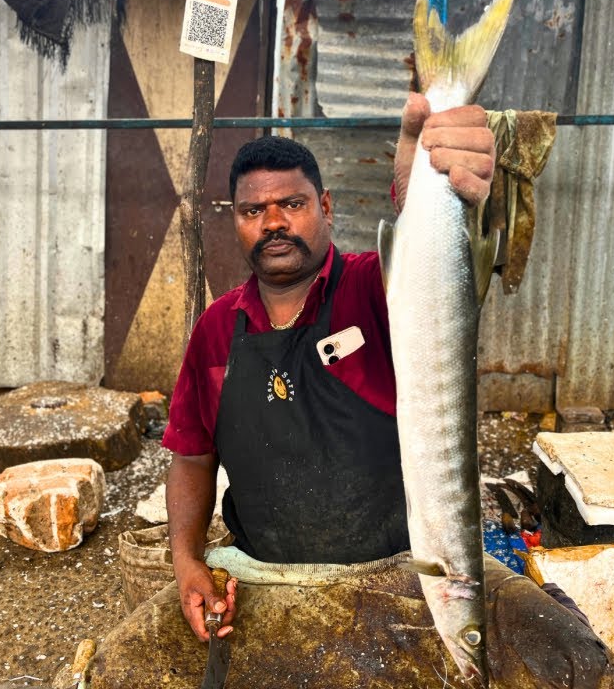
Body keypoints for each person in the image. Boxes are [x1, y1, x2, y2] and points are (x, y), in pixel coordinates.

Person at [161, 93, 498, 642]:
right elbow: (193, 458)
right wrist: (186, 560)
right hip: (265, 581)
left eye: (292, 204)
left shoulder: (377, 288)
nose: (273, 223)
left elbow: (438, 277)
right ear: (237, 224)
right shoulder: (216, 329)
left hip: (394, 578)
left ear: (328, 207)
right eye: (253, 211)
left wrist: (426, 197)